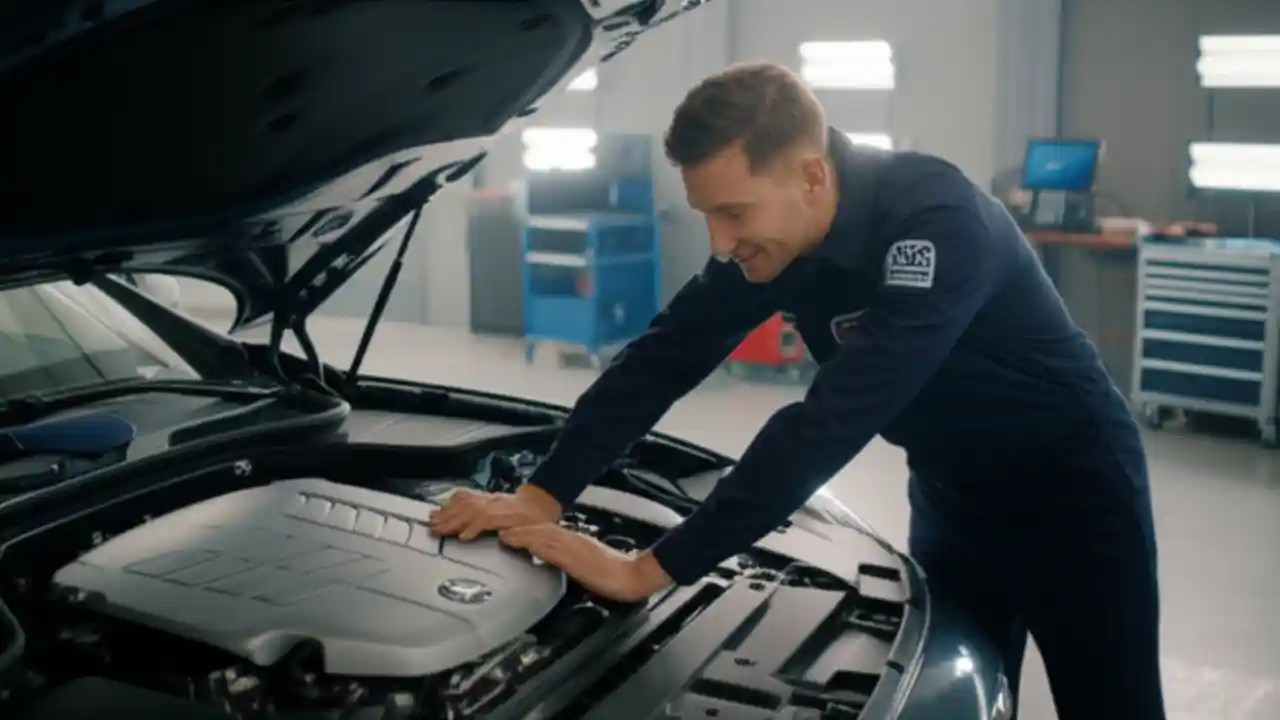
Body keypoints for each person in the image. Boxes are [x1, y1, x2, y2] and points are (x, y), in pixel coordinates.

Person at [429, 61, 1164, 719]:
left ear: (811, 176)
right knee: (960, 698)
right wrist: (544, 493)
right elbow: (665, 355)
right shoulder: (775, 240)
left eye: (735, 213)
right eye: (707, 214)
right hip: (951, 495)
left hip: (1073, 491)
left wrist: (652, 569)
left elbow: (832, 418)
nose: (719, 242)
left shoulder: (936, 223)